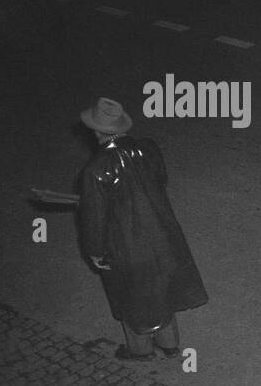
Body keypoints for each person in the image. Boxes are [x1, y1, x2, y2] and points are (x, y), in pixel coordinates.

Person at [77, 97, 207, 360]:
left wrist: (95, 251)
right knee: (161, 289)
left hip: (125, 242)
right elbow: (160, 180)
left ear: (96, 130)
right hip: (161, 231)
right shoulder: (147, 148)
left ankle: (140, 350)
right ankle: (170, 345)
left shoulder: (95, 170)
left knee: (130, 297)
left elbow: (94, 218)